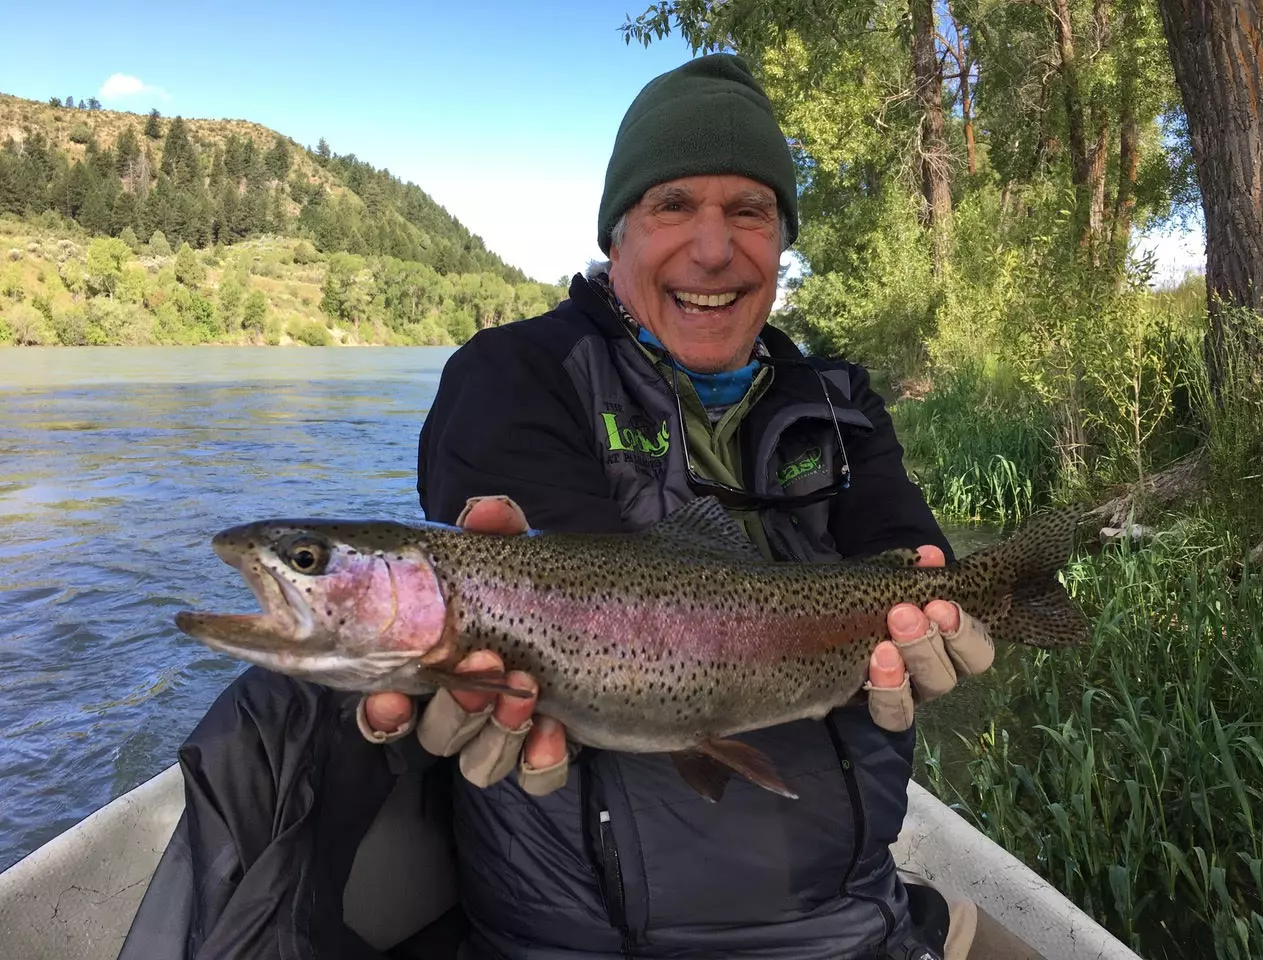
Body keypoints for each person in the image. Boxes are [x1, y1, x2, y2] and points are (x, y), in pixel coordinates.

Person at [120, 54, 993, 960]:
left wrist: (945, 606)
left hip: (856, 921)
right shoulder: (514, 374)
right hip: (574, 940)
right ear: (616, 237)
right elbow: (615, 598)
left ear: (780, 243)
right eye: (672, 206)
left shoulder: (839, 398)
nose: (711, 247)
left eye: (749, 211)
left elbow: (909, 556)